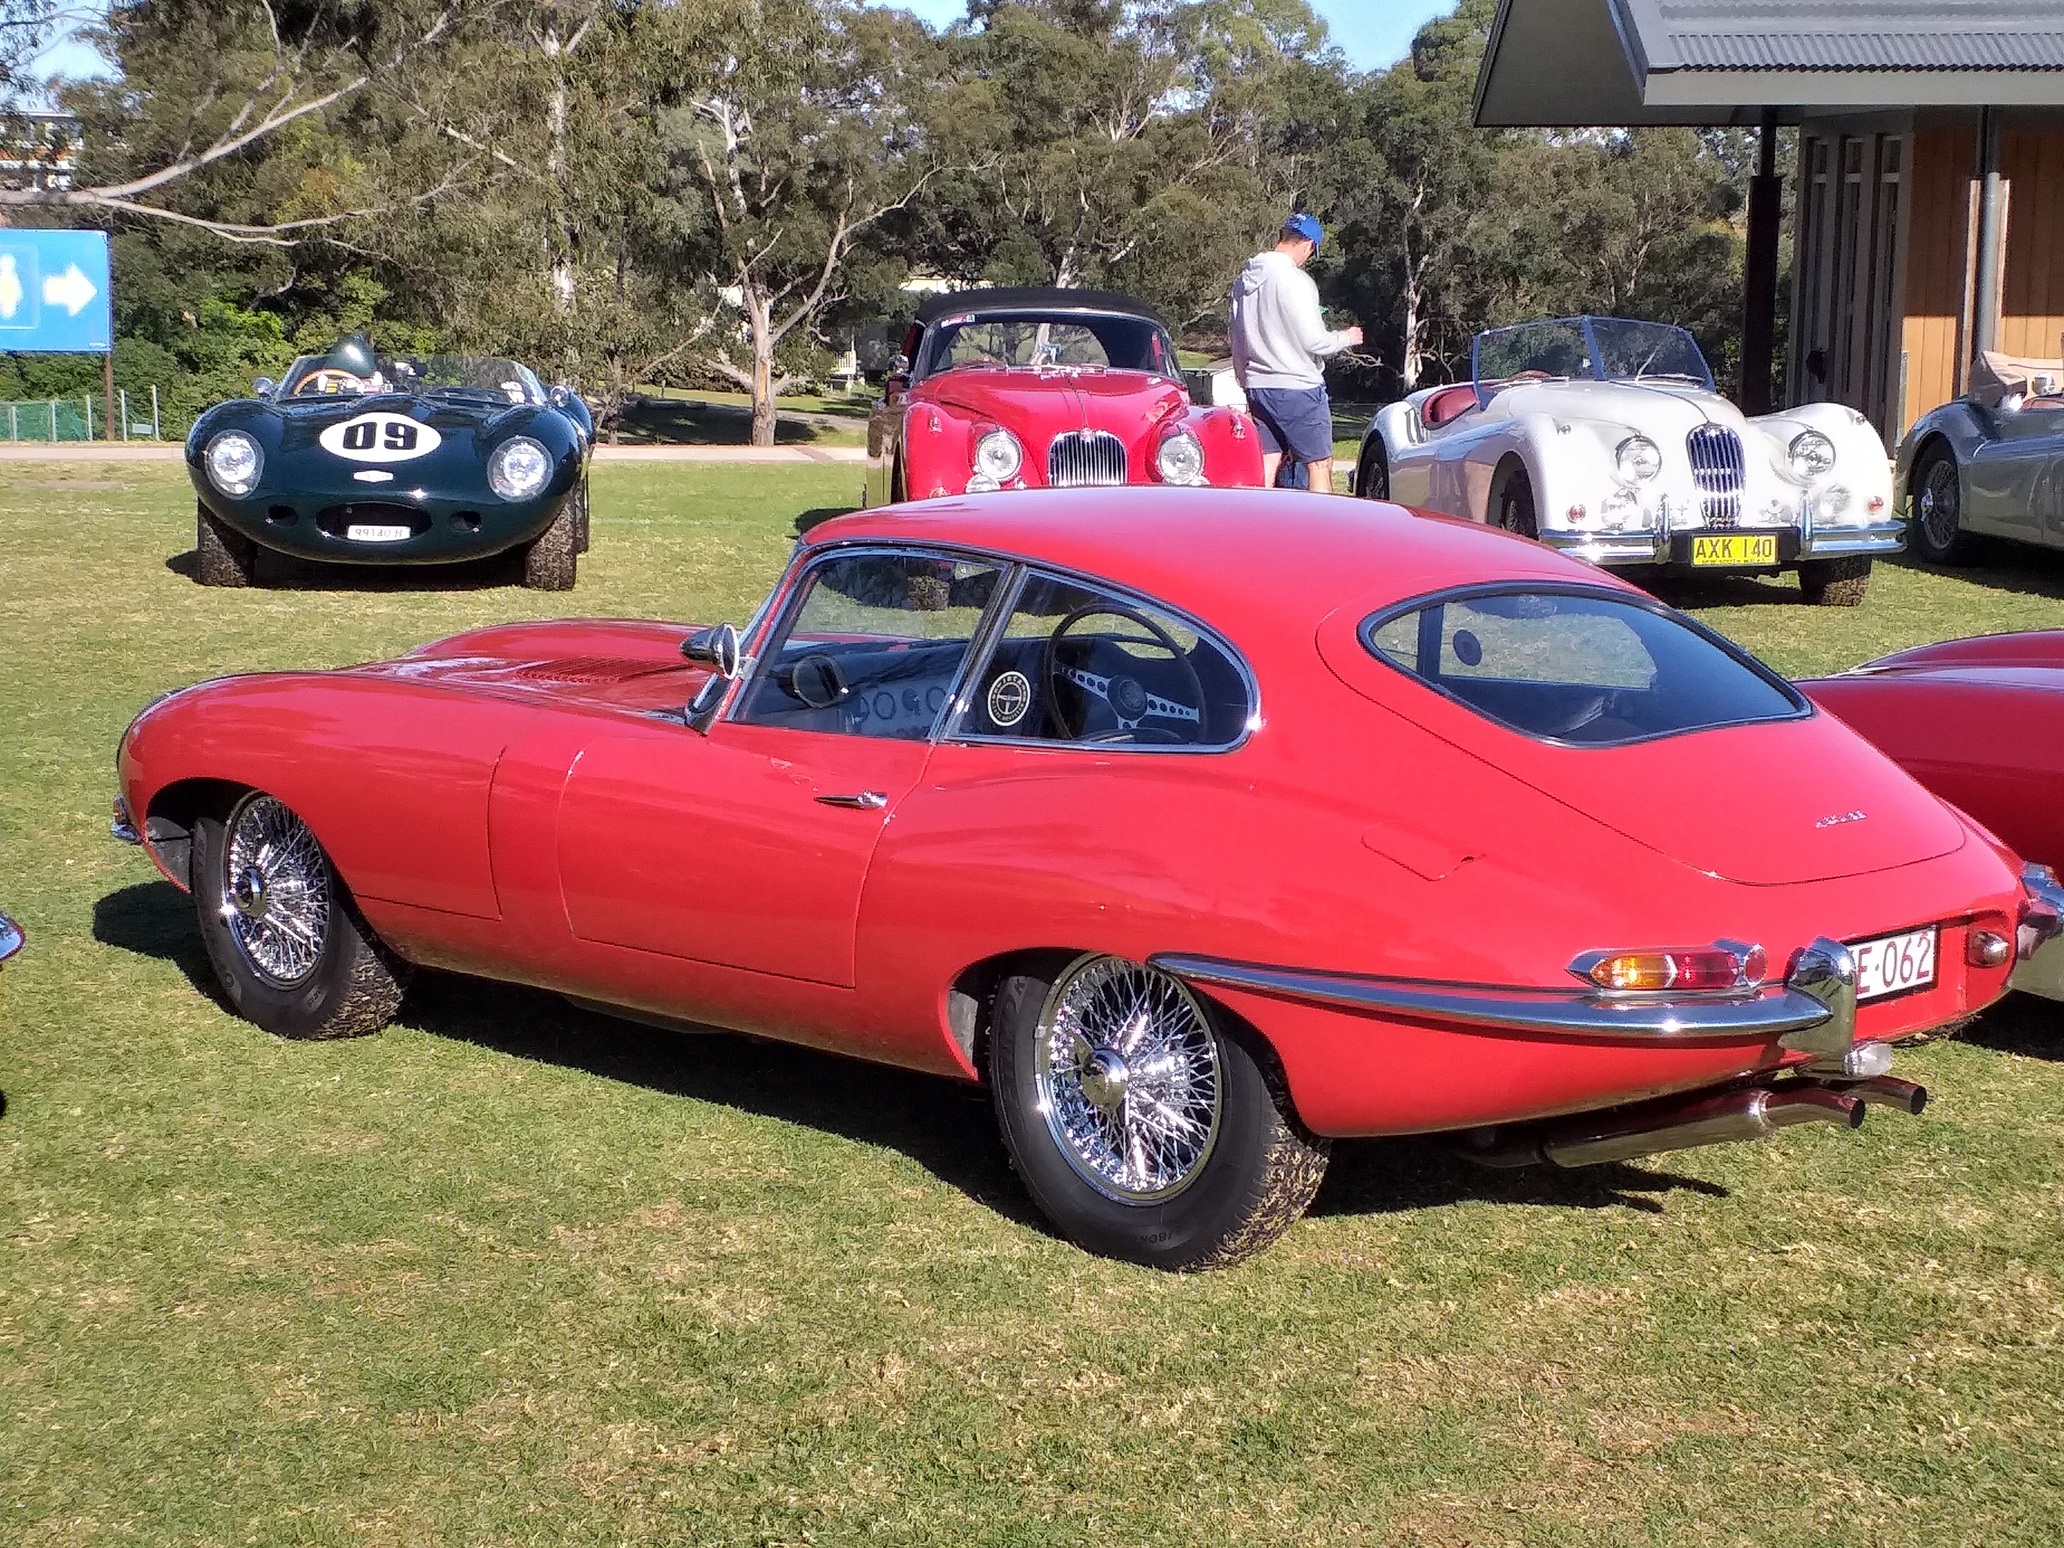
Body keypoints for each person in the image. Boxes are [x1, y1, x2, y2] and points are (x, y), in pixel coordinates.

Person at [1229, 213, 1362, 493]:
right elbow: (1315, 342)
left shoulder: (1244, 281)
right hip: (1298, 386)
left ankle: (1256, 528)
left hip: (1258, 385)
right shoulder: (1296, 282)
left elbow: (1237, 338)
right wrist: (1346, 337)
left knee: (1267, 460)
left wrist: (1245, 380)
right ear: (1308, 245)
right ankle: (1320, 532)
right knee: (1319, 464)